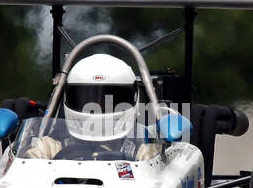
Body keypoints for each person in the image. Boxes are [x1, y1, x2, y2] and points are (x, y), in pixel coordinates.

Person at [24, 53, 164, 161]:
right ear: (69, 96)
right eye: (87, 98)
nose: (97, 106)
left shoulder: (142, 147)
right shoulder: (51, 145)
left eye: (109, 99)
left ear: (132, 97)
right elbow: (26, 174)